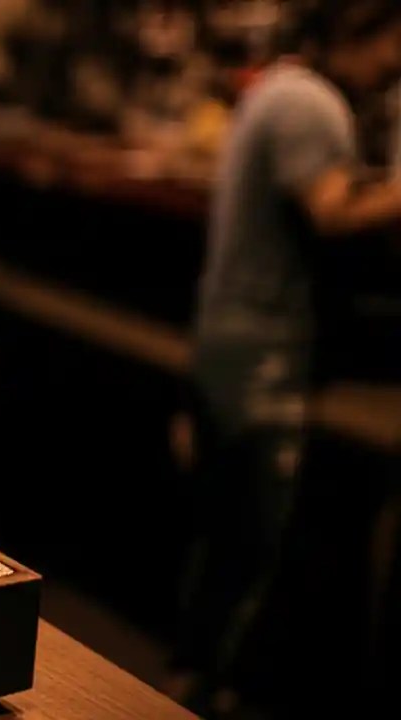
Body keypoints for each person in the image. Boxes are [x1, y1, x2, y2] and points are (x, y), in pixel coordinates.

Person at [181, 1, 401, 713]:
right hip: (262, 351)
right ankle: (212, 688)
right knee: (252, 544)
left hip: (229, 337)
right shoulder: (309, 103)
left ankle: (193, 675)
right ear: (364, 33)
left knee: (225, 532)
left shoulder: (280, 87)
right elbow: (333, 210)